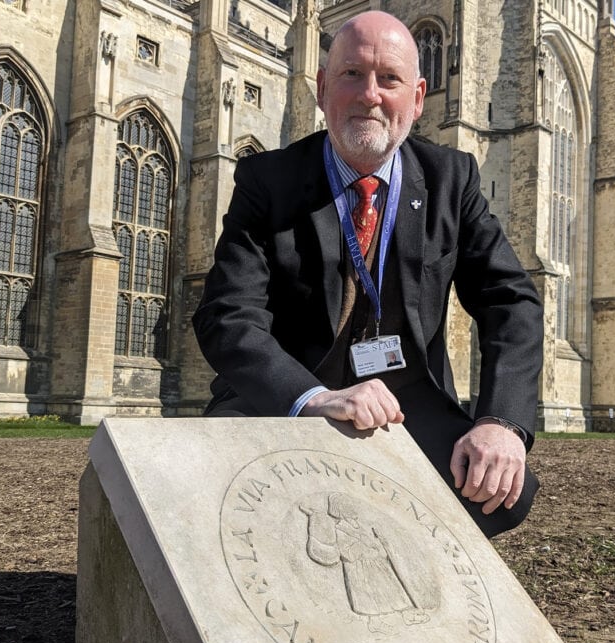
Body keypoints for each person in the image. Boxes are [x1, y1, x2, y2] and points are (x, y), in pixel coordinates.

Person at [193, 11, 544, 538]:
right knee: (213, 488)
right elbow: (226, 315)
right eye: (352, 75)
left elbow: (511, 300)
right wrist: (313, 399)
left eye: (390, 79)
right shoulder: (269, 180)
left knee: (499, 494)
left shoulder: (452, 179)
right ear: (321, 87)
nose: (369, 95)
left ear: (419, 97)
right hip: (287, 396)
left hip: (406, 404)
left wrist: (501, 421)